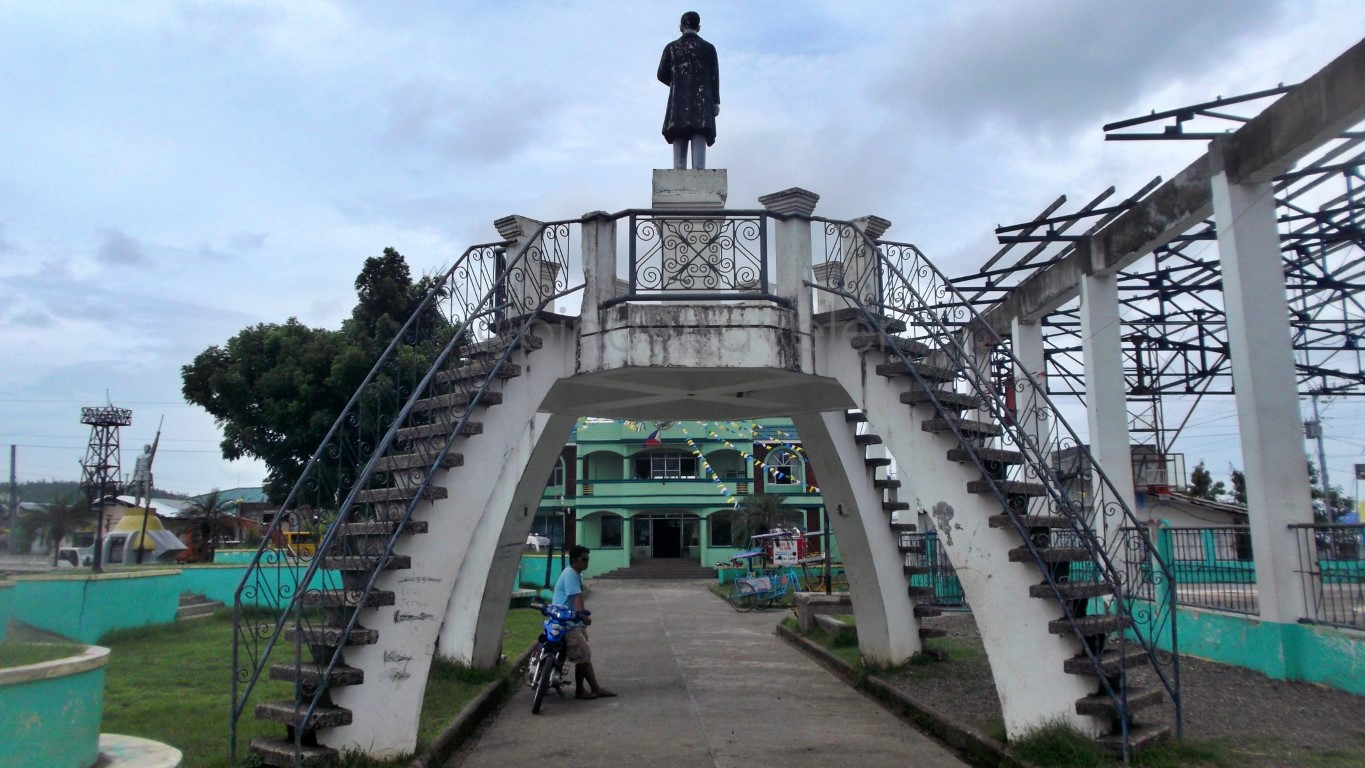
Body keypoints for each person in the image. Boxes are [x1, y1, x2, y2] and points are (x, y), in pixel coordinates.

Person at [552, 544, 616, 699]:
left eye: (588, 559)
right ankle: (586, 689)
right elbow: (578, 600)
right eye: (584, 559)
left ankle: (590, 688)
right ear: (574, 560)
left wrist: (581, 619)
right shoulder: (571, 575)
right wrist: (585, 617)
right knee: (584, 652)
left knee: (583, 655)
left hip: (573, 621)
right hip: (566, 622)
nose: (587, 562)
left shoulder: (577, 574)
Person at [657, 11, 719, 170]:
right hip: (702, 103)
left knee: (679, 134)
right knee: (699, 134)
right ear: (698, 27)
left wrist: (677, 83)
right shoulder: (709, 48)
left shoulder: (672, 48)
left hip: (678, 102)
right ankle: (699, 170)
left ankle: (679, 170)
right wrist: (715, 102)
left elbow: (661, 74)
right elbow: (714, 78)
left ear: (681, 26)